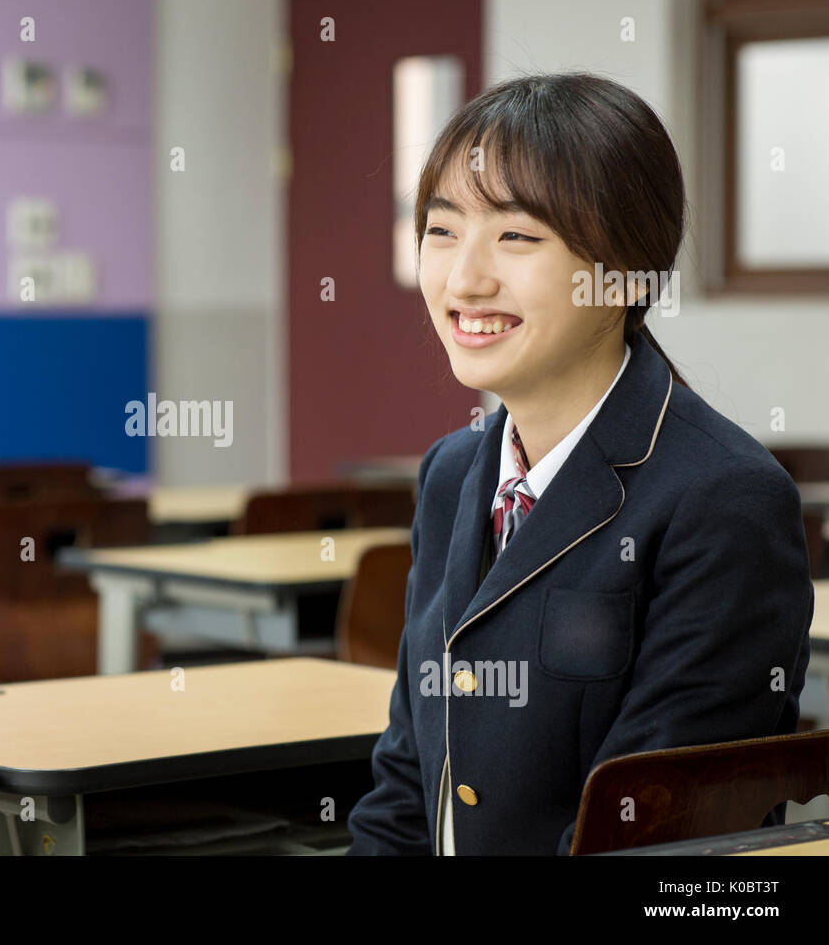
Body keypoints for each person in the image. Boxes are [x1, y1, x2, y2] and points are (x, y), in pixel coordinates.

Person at [346, 72, 814, 855]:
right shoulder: (453, 474)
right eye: (441, 229)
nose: (465, 280)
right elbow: (405, 786)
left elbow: (643, 835)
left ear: (626, 268)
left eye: (517, 237)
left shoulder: (724, 499)